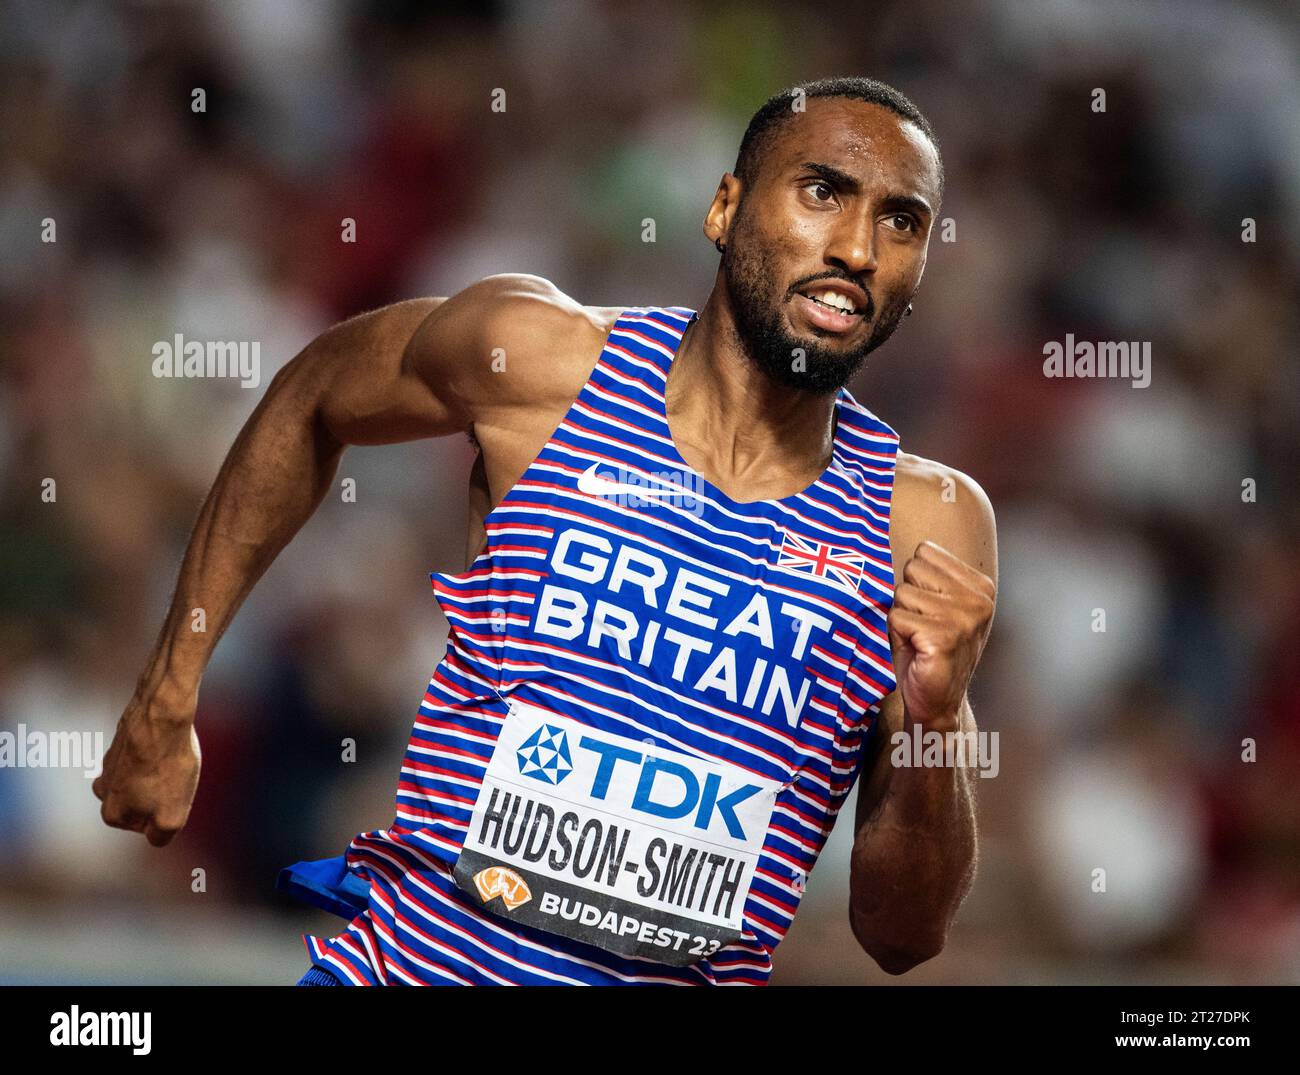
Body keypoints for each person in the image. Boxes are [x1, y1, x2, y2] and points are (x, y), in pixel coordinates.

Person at [94, 76, 997, 985]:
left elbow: (901, 934)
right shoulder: (537, 363)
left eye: (902, 221)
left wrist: (939, 718)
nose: (856, 247)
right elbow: (313, 395)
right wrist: (172, 689)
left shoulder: (922, 525)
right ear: (723, 208)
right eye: (822, 191)